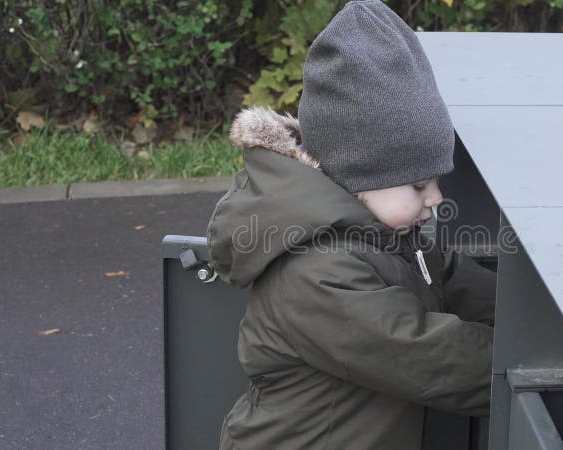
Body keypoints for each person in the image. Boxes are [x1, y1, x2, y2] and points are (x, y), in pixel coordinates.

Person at [207, 1, 496, 448]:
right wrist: (529, 362)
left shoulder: (386, 233)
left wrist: (532, 314)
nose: (435, 198)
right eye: (418, 185)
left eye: (436, 181)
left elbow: (449, 276)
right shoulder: (317, 271)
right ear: (359, 182)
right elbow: (427, 358)